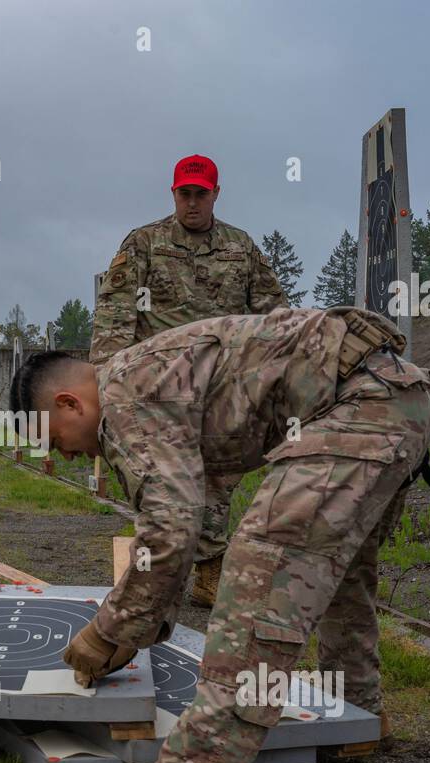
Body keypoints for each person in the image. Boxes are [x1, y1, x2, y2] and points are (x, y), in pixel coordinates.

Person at [11, 306, 430, 763]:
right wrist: (139, 629)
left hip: (358, 406)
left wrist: (108, 632)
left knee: (260, 576)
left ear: (68, 403)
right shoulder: (149, 378)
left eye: (57, 440)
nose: (69, 456)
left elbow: (169, 533)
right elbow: (185, 520)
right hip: (395, 398)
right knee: (336, 576)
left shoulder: (123, 401)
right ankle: (356, 716)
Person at [91, 155, 289, 608]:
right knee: (162, 478)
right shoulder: (144, 244)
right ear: (174, 194)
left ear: (216, 194)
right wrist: (107, 379)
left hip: (223, 386)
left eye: (202, 194)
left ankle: (208, 572)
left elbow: (273, 314)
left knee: (218, 478)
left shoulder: (241, 249)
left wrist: (279, 370)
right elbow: (115, 313)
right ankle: (158, 574)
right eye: (185, 194)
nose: (193, 203)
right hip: (159, 388)